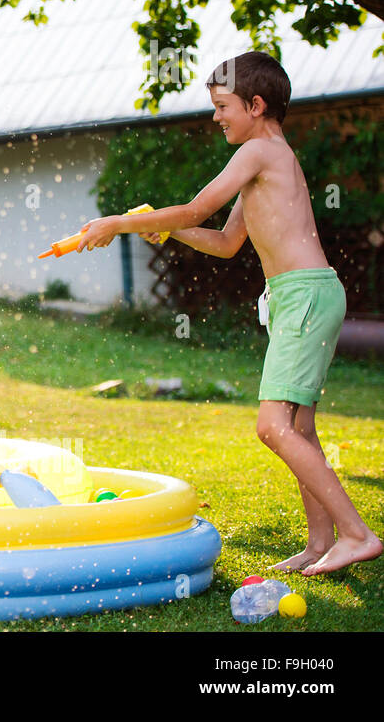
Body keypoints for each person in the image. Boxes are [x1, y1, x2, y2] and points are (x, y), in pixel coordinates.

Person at [77, 51, 381, 575]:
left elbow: (197, 209)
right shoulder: (270, 156)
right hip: (300, 295)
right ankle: (321, 542)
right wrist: (166, 227)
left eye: (223, 106)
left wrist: (117, 223)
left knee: (273, 427)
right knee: (299, 428)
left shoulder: (258, 151)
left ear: (255, 105)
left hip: (304, 294)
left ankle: (357, 533)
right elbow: (223, 241)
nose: (216, 117)